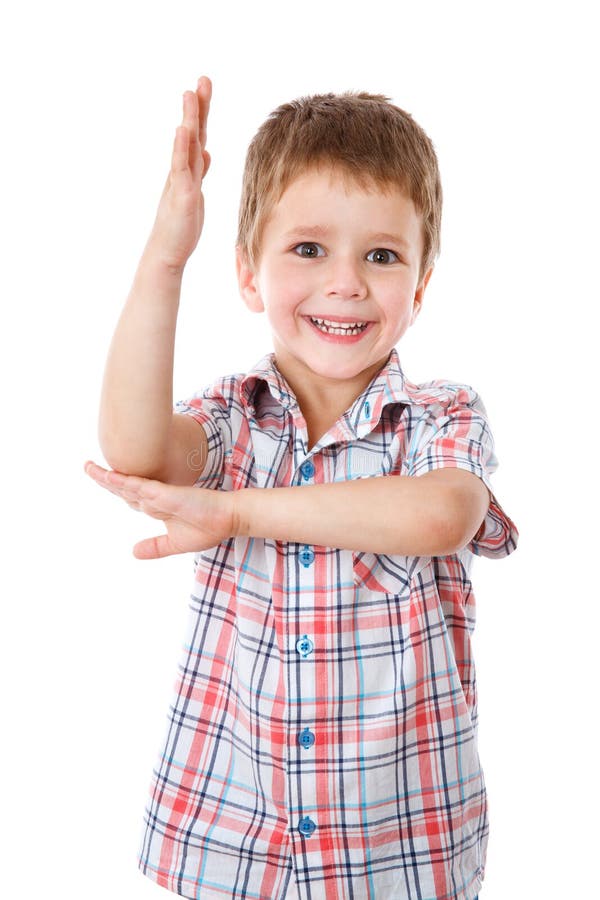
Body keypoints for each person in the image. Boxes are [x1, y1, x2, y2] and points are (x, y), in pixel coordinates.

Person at [84, 75, 518, 900]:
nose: (346, 282)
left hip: (400, 848)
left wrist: (238, 511)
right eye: (309, 248)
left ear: (420, 286)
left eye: (382, 255)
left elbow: (442, 514)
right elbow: (134, 445)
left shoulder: (439, 416)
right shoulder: (232, 418)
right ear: (249, 274)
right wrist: (166, 257)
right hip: (233, 834)